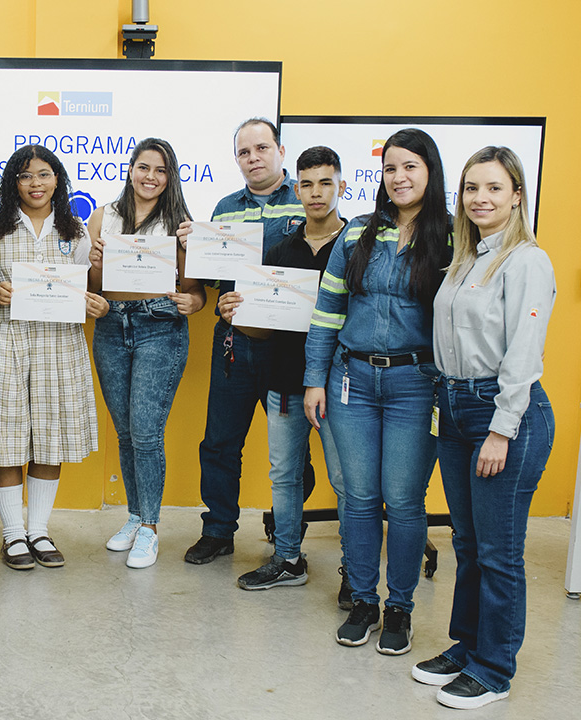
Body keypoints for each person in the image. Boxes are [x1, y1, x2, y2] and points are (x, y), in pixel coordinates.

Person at [412, 147, 554, 710]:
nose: (481, 199)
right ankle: (466, 646)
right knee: (466, 542)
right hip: (453, 408)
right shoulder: (466, 258)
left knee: (499, 552)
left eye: (494, 188)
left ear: (517, 194)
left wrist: (501, 429)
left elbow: (523, 352)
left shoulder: (526, 261)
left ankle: (494, 670)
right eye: (471, 188)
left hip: (503, 414)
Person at [304, 128, 453, 655]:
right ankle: (364, 600)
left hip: (418, 385)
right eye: (390, 168)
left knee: (406, 502)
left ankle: (400, 608)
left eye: (410, 167)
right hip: (352, 383)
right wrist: (313, 380)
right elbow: (325, 315)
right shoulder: (356, 235)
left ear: (429, 172)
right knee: (361, 499)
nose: (400, 177)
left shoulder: (454, 238)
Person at [0, 145, 108, 570]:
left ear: (58, 180)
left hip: (60, 343)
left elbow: (88, 288)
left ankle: (39, 530)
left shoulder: (77, 232)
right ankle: (12, 534)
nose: (35, 184)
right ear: (13, 183)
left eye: (44, 175)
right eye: (25, 176)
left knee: (50, 436)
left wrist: (93, 303)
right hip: (5, 338)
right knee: (5, 438)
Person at [184, 118, 312, 565]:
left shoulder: (305, 198)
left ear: (280, 150)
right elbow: (214, 279)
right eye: (244, 152)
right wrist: (193, 250)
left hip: (290, 349)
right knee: (219, 443)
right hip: (234, 347)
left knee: (294, 448)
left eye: (261, 148)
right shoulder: (224, 209)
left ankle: (286, 524)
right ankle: (219, 530)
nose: (253, 158)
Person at [227, 146, 350, 603]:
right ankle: (288, 559)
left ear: (341, 185)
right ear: (295, 188)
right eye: (307, 183)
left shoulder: (357, 247)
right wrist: (235, 313)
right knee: (284, 474)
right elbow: (261, 326)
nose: (316, 193)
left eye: (325, 182)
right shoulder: (280, 252)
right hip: (284, 378)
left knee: (345, 481)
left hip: (341, 384)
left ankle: (353, 571)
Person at [88, 137, 206, 568]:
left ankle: (151, 528)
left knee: (145, 430)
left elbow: (196, 294)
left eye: (160, 170)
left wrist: (193, 303)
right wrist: (95, 261)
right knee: (123, 431)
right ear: (130, 169)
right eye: (143, 167)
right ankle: (135, 516)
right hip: (111, 327)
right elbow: (93, 287)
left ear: (170, 176)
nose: (150, 177)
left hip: (160, 328)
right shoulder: (103, 217)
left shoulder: (182, 224)